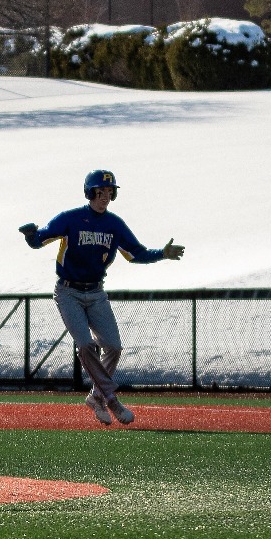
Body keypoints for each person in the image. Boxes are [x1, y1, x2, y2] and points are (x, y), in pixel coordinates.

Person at [19, 170, 184, 426]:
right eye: (100, 191)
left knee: (114, 347)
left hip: (96, 293)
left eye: (109, 191)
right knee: (86, 345)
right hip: (68, 292)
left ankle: (96, 397)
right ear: (89, 192)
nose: (105, 196)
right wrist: (31, 235)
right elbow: (41, 239)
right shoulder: (71, 218)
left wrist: (161, 253)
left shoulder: (114, 224)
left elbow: (135, 253)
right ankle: (111, 399)